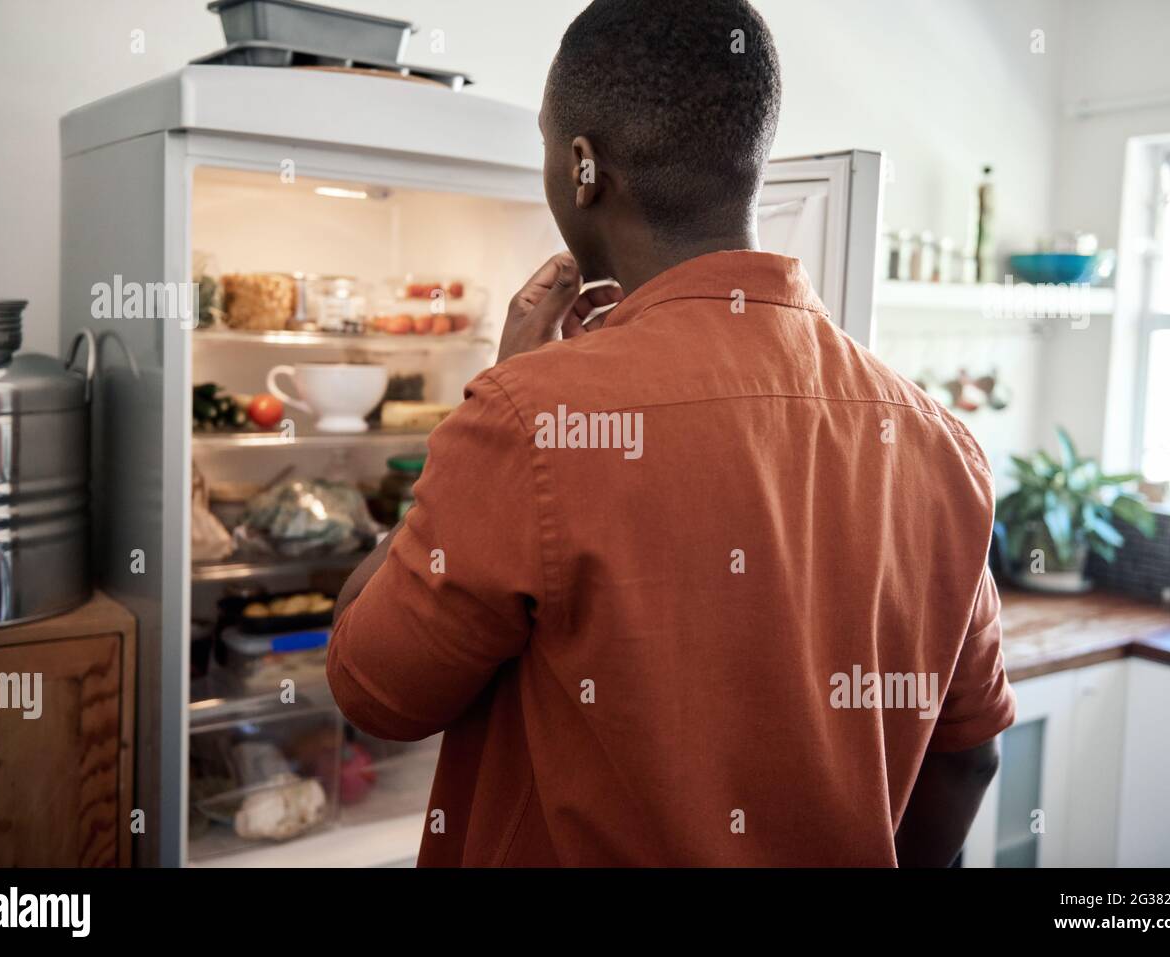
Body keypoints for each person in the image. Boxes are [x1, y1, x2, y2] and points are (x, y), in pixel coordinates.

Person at [329, 0, 1014, 866]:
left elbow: (373, 687)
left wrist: (487, 408)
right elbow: (970, 754)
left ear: (582, 166)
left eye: (549, 145)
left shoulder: (525, 421)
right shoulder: (939, 443)